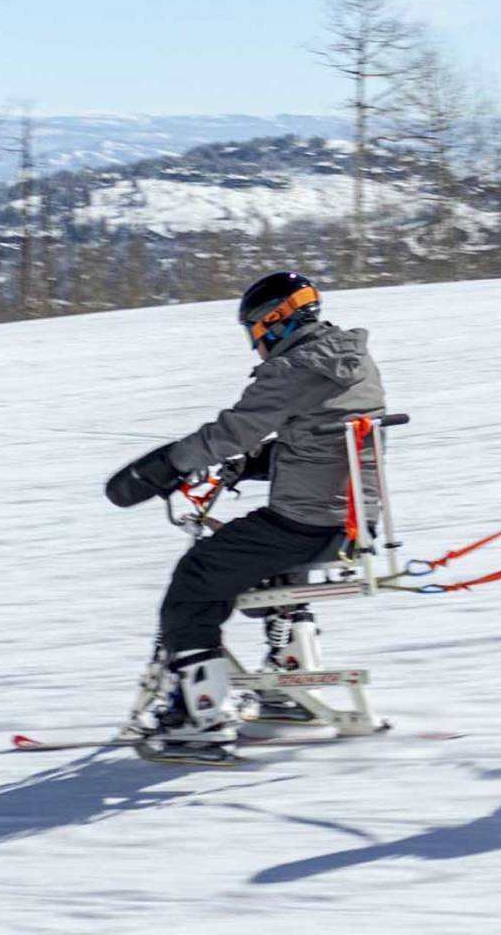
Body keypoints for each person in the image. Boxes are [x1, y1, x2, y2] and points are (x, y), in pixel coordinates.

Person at [104, 270, 386, 760]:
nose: (255, 343)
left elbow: (230, 433)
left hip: (304, 522)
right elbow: (326, 429)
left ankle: (201, 717)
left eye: (253, 330)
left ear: (272, 321)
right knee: (262, 571)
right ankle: (287, 685)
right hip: (351, 520)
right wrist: (263, 461)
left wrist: (164, 467)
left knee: (195, 580)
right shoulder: (351, 360)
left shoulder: (294, 367)